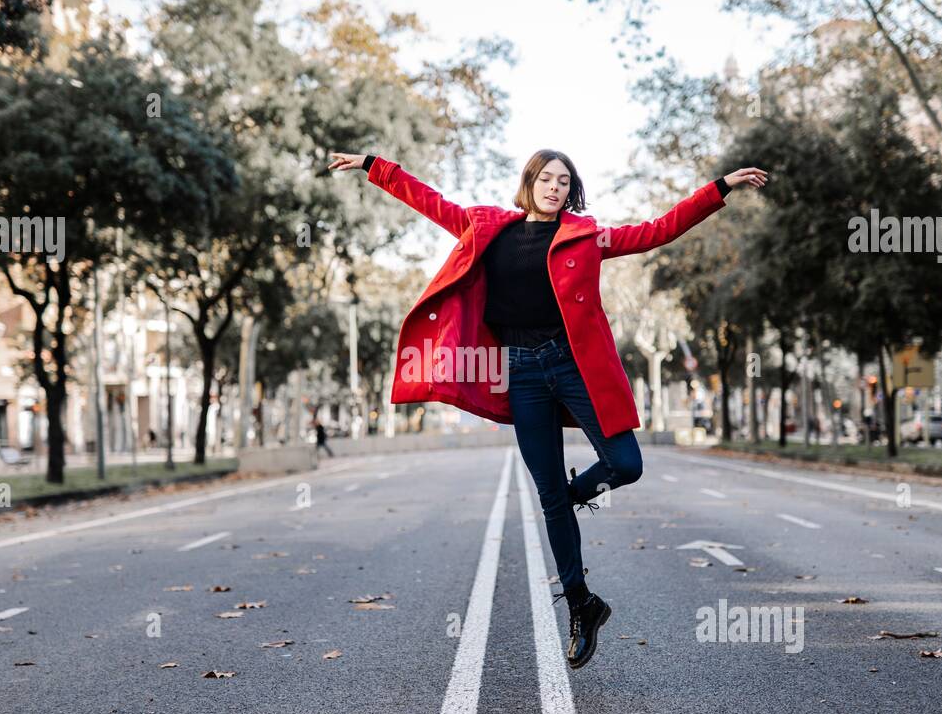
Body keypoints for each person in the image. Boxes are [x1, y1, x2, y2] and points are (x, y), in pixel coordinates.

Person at [328, 148, 766, 669]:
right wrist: (376, 166)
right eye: (547, 178)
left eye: (565, 181)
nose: (555, 187)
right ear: (530, 182)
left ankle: (573, 493)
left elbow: (660, 230)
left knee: (626, 465)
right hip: (521, 373)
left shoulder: (586, 236)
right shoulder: (485, 227)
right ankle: (582, 605)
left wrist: (720, 187)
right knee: (548, 498)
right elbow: (428, 201)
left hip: (574, 365)